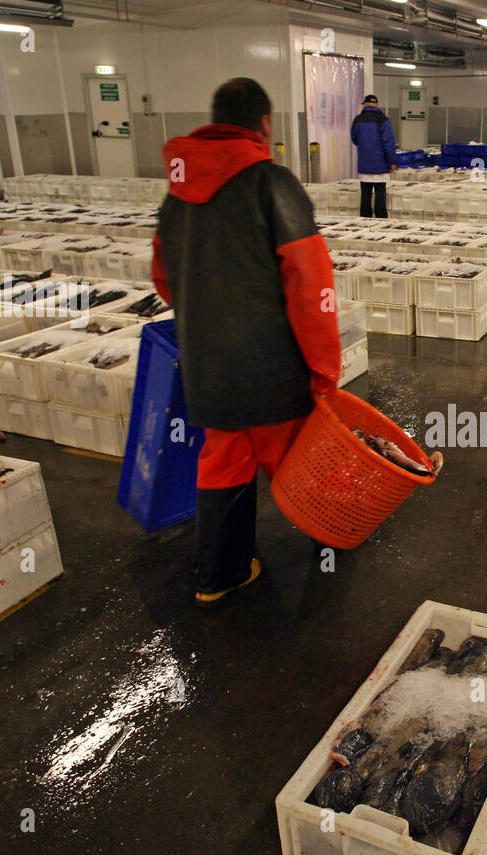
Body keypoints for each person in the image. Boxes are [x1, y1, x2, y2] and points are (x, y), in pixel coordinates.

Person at [151, 77, 342, 607]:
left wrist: (208, 323)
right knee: (298, 462)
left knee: (224, 464)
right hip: (273, 370)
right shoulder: (271, 183)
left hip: (209, 371)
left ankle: (219, 575)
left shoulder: (175, 194)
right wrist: (324, 370)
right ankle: (333, 542)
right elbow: (310, 286)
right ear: (263, 125)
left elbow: (164, 279)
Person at [351, 94, 396, 218]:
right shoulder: (384, 120)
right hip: (381, 165)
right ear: (377, 105)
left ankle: (365, 221)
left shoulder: (357, 120)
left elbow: (354, 139)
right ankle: (380, 221)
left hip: (364, 163)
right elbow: (389, 143)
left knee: (365, 194)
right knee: (380, 194)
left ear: (364, 104)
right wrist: (392, 161)